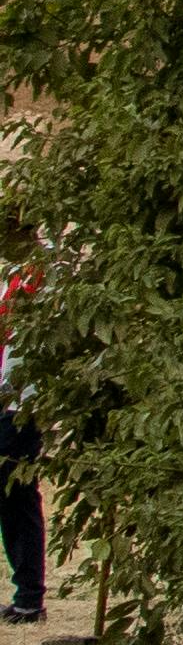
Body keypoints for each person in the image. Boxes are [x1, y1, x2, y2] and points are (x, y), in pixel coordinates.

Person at [0, 255, 43, 624]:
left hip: (21, 405)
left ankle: (30, 596)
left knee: (17, 497)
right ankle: (25, 594)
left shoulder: (43, 274)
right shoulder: (16, 276)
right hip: (7, 401)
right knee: (9, 500)